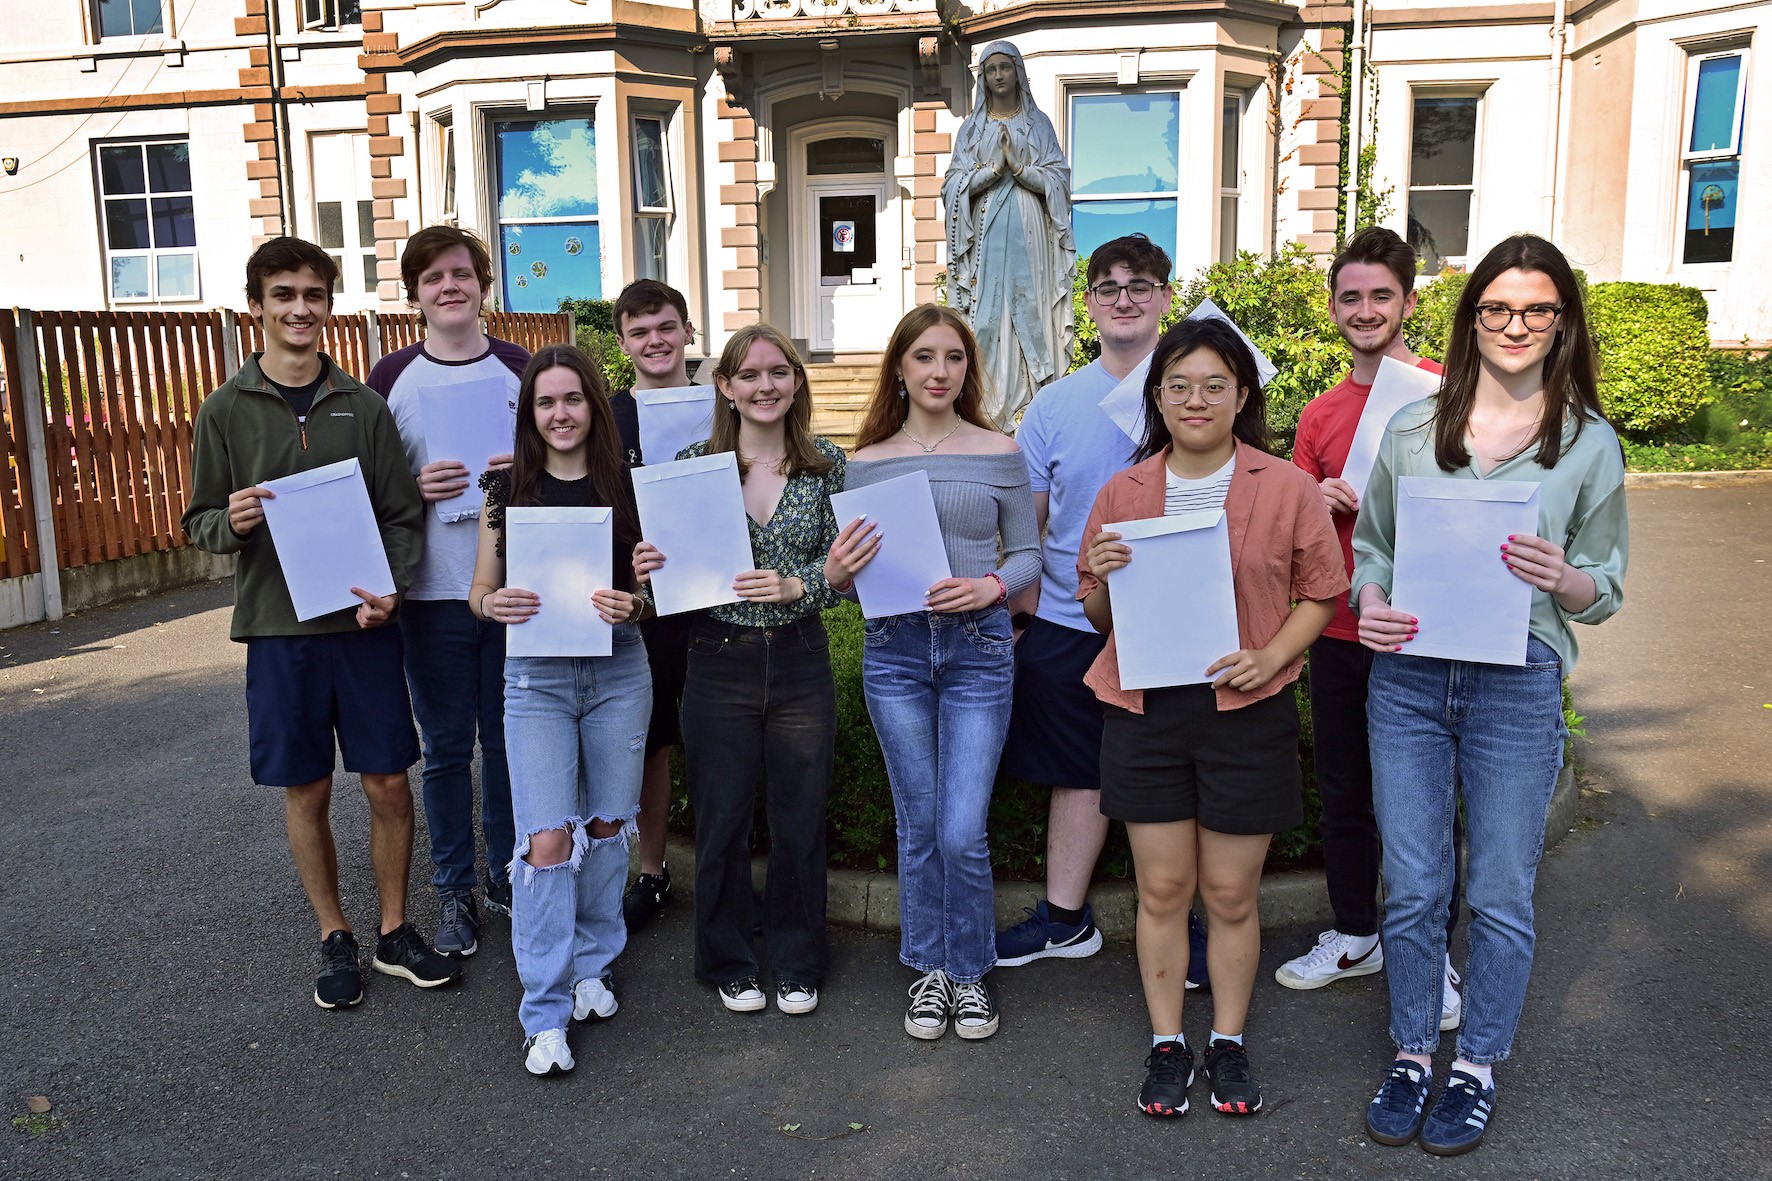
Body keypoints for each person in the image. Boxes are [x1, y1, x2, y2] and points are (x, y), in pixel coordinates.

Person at [1355, 234, 1627, 1155]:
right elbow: (1373, 552)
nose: (1517, 326)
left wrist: (1564, 576)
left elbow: (1606, 588)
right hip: (1411, 679)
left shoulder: (1589, 444)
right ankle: (1409, 1052)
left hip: (1518, 683)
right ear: (1472, 319)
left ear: (1563, 322)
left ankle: (1474, 1064)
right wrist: (1372, 600)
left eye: (1537, 309)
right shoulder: (1412, 428)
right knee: (1416, 884)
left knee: (1501, 888)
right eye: (1498, 308)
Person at [1078, 318, 1346, 1118]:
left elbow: (1322, 593)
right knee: (1161, 887)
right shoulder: (1121, 492)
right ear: (1156, 397)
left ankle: (1226, 1040)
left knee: (1230, 893)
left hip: (1246, 708)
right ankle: (1169, 1042)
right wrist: (1097, 575)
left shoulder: (1286, 485)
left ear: (1242, 394)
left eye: (1215, 384)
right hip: (1146, 707)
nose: (1196, 399)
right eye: (1179, 385)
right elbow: (1097, 616)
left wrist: (1272, 657)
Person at [182, 236, 459, 1009]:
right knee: (303, 789)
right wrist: (230, 522)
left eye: (313, 294)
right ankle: (334, 932)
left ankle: (396, 929)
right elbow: (198, 519)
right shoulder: (224, 411)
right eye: (284, 295)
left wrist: (393, 588)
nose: (300, 308)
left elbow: (404, 518)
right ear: (256, 308)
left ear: (328, 305)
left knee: (387, 782)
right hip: (278, 632)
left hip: (363, 630)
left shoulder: (362, 407)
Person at [995, 233, 1206, 984]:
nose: (1124, 298)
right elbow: (1031, 524)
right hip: (1065, 616)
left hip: (1181, 619)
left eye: (1140, 286)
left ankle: (1187, 924)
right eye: (1109, 287)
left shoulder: (1195, 388)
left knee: (1175, 770)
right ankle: (1064, 918)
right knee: (1076, 773)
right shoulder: (1054, 405)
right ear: (1088, 304)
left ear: (1165, 299)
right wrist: (1020, 623)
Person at [828, 305, 1040, 1041]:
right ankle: (931, 970)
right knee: (917, 823)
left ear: (967, 369)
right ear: (900, 368)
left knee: (960, 828)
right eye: (924, 357)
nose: (939, 370)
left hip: (979, 648)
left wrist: (990, 588)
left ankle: (971, 970)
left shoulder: (999, 451)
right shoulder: (868, 460)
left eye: (953, 357)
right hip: (895, 649)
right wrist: (839, 573)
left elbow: (1028, 556)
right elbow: (854, 581)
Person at [1278, 226, 1464, 1031]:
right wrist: (1313, 503)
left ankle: (1435, 953)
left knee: (1426, 802)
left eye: (1380, 295)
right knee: (1347, 792)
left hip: (1427, 630)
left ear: (1409, 302)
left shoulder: (1448, 394)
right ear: (1332, 308)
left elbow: (1476, 504)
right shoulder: (1320, 416)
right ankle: (1357, 933)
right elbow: (1290, 535)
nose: (1365, 309)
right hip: (1342, 630)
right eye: (1350, 296)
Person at [633, 324, 846, 1016]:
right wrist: (649, 573)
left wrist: (800, 584)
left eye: (778, 372)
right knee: (723, 819)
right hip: (717, 659)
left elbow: (845, 572)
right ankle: (727, 958)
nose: (765, 386)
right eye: (749, 374)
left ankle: (797, 959)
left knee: (799, 819)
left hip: (800, 658)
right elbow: (672, 582)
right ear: (724, 385)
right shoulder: (696, 465)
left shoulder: (827, 465)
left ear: (796, 381)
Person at [467, 345, 651, 1076]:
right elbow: (477, 592)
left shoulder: (628, 488)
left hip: (618, 673)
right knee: (545, 841)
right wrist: (494, 602)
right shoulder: (504, 489)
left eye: (572, 399)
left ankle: (592, 966)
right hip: (536, 679)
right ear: (530, 413)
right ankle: (543, 1009)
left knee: (607, 826)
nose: (560, 413)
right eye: (545, 402)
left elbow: (659, 593)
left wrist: (636, 602)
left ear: (593, 406)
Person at [368, 225, 528, 960]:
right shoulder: (390, 377)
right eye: (433, 278)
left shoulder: (520, 369)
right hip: (431, 593)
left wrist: (520, 473)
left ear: (484, 287)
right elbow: (366, 486)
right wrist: (411, 487)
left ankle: (503, 873)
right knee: (443, 749)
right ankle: (454, 887)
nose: (450, 286)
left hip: (508, 589)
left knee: (504, 739)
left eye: (462, 273)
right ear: (415, 295)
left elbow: (565, 459)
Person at [605, 279, 698, 931]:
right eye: (639, 332)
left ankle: (726, 866)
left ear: (688, 331)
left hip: (726, 592)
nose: (655, 341)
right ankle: (654, 871)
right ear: (622, 343)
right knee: (653, 741)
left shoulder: (725, 400)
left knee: (728, 738)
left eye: (665, 327)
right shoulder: (611, 414)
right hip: (649, 598)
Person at [940, 40, 1076, 429]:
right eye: (990, 70)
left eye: (1005, 67)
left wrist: (1019, 168)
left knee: (1028, 303)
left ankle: (1035, 402)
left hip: (1030, 230)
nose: (998, 75)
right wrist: (991, 172)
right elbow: (952, 185)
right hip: (986, 229)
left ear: (1018, 71)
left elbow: (1058, 179)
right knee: (988, 312)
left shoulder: (1039, 125)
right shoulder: (972, 128)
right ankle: (987, 406)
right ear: (982, 78)